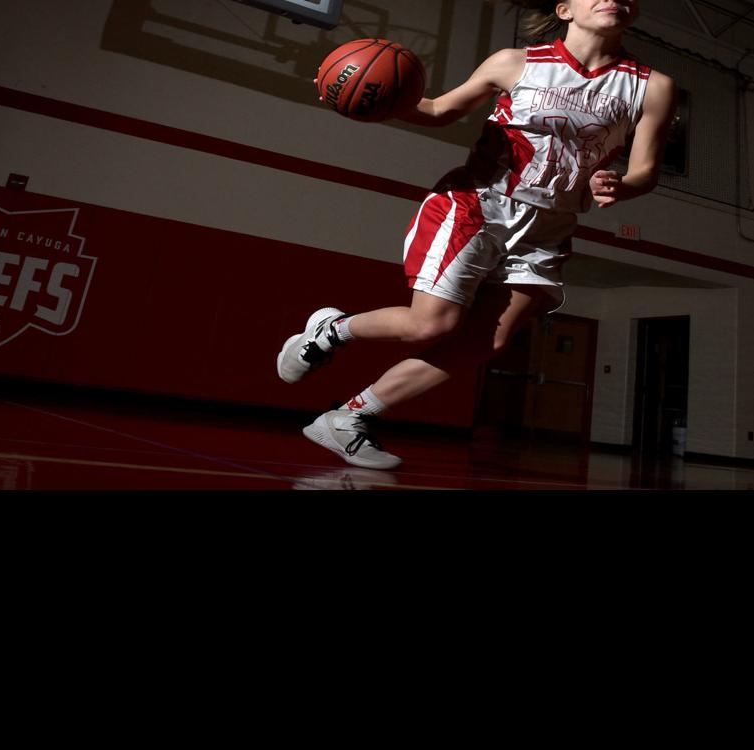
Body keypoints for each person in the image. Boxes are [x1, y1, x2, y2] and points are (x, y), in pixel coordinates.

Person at [276, 0, 677, 469]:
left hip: (548, 228)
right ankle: (333, 330)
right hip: (477, 206)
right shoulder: (515, 63)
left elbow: (645, 171)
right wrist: (369, 98)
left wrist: (620, 185)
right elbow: (439, 110)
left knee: (486, 343)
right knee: (432, 325)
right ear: (565, 9)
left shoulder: (653, 87)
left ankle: (347, 418)